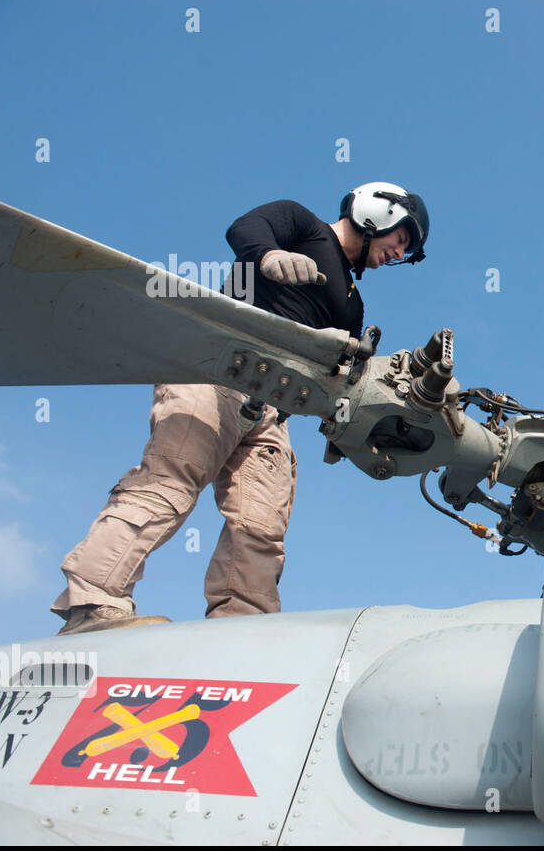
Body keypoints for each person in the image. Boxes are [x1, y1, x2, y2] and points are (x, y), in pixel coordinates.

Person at [52, 182, 430, 635]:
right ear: (379, 213)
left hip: (274, 409)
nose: (398, 253)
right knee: (170, 484)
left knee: (260, 524)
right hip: (218, 374)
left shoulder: (353, 302)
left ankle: (241, 631)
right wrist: (269, 257)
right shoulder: (302, 224)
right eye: (401, 240)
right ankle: (93, 601)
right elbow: (245, 228)